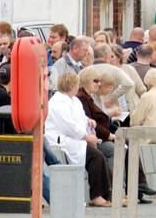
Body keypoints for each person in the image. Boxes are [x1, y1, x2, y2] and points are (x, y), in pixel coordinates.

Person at [46, 71, 112, 206]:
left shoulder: (74, 100)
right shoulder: (57, 103)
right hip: (63, 139)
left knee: (99, 156)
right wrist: (87, 137)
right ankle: (97, 195)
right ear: (71, 86)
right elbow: (69, 126)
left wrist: (89, 121)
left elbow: (80, 117)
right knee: (96, 157)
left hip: (76, 139)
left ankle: (107, 194)